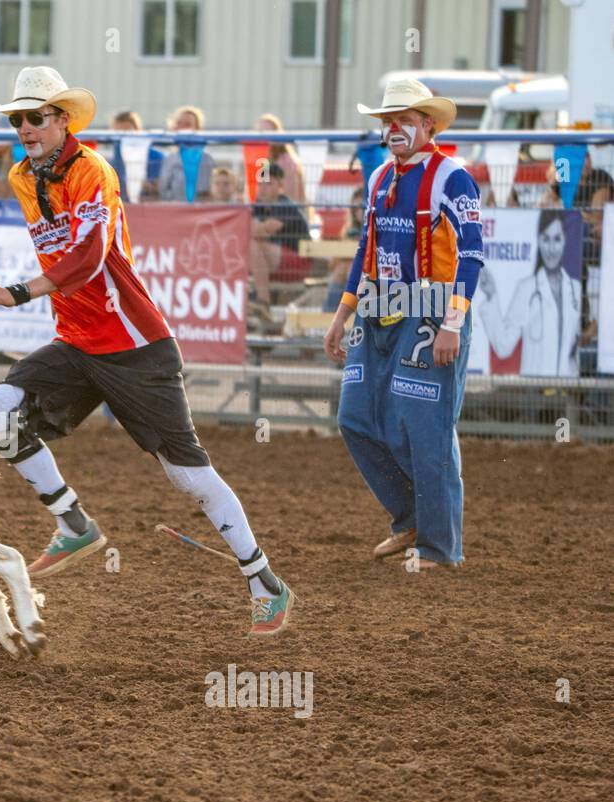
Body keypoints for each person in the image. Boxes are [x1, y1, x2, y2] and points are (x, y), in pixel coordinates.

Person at [0, 67, 294, 636]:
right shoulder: (23, 176)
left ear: (63, 120)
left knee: (188, 475)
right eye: (16, 118)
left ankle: (264, 580)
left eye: (34, 117)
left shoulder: (93, 171)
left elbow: (90, 258)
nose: (23, 127)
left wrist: (17, 292)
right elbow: (67, 259)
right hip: (76, 339)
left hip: (135, 345)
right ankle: (74, 523)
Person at [324, 78, 484, 569]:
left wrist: (452, 322)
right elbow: (364, 251)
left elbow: (472, 254)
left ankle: (439, 546)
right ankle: (409, 518)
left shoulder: (452, 177)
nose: (394, 128)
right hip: (378, 307)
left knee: (425, 426)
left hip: (432, 309)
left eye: (405, 119)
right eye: (388, 121)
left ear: (428, 125)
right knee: (355, 417)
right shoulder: (378, 179)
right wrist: (342, 313)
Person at [475, 209, 583, 376]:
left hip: (567, 386)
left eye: (557, 239)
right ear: (538, 241)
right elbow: (503, 346)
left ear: (565, 241)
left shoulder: (575, 288)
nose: (551, 249)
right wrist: (492, 295)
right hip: (534, 389)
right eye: (546, 239)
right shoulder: (527, 288)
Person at [249, 163, 311, 313]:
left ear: (280, 185)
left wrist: (254, 225)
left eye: (268, 183)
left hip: (299, 262)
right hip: (274, 260)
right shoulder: (258, 206)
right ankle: (253, 299)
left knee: (252, 245)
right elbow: (248, 229)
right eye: (260, 183)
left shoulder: (284, 205)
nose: (262, 188)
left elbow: (259, 232)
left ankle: (262, 300)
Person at [157, 105, 213, 201]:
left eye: (187, 124)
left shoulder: (208, 160)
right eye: (179, 123)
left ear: (197, 129)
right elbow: (163, 190)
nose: (182, 128)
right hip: (175, 211)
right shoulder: (169, 160)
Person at [109, 110, 165, 199]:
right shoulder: (110, 160)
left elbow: (161, 187)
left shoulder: (156, 157)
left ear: (137, 130)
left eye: (128, 132)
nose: (124, 138)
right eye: (119, 133)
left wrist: (151, 186)